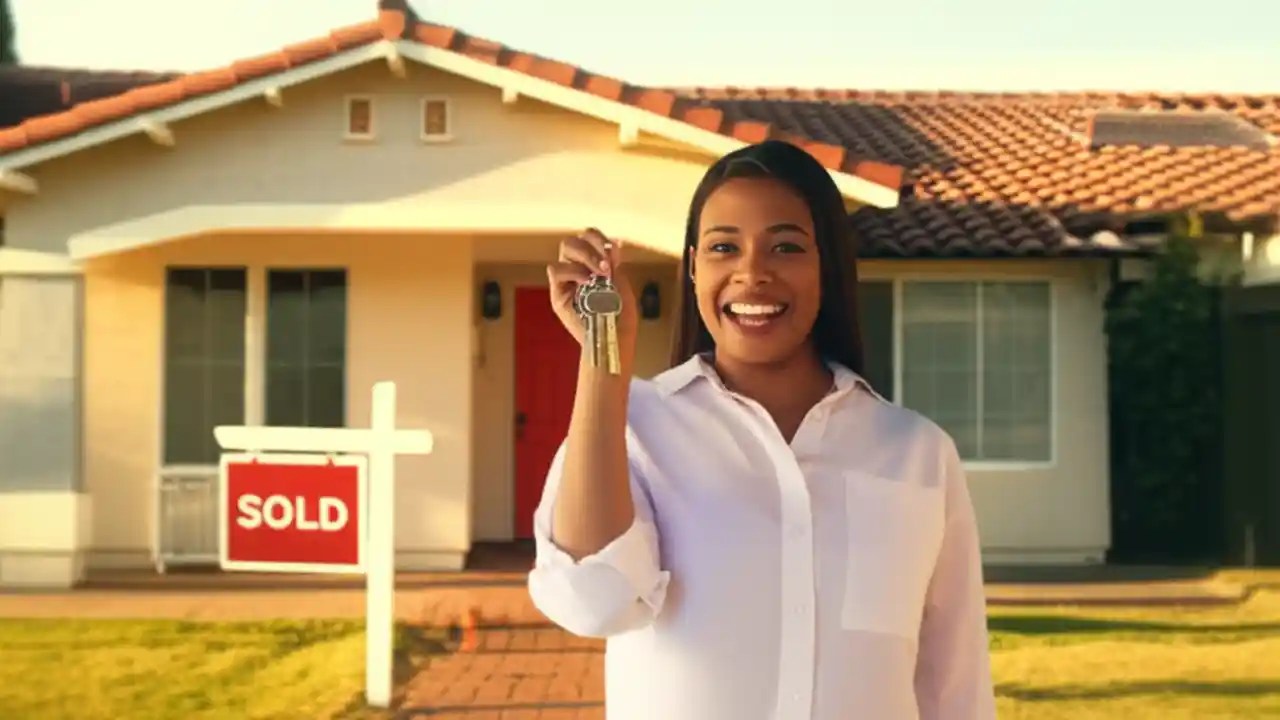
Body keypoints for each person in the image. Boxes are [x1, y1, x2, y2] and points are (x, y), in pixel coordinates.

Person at [528, 139, 996, 720]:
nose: (752, 273)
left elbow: (956, 687)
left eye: (785, 247)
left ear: (826, 265)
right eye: (725, 247)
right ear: (694, 267)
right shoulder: (635, 429)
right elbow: (594, 603)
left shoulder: (917, 454)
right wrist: (604, 355)